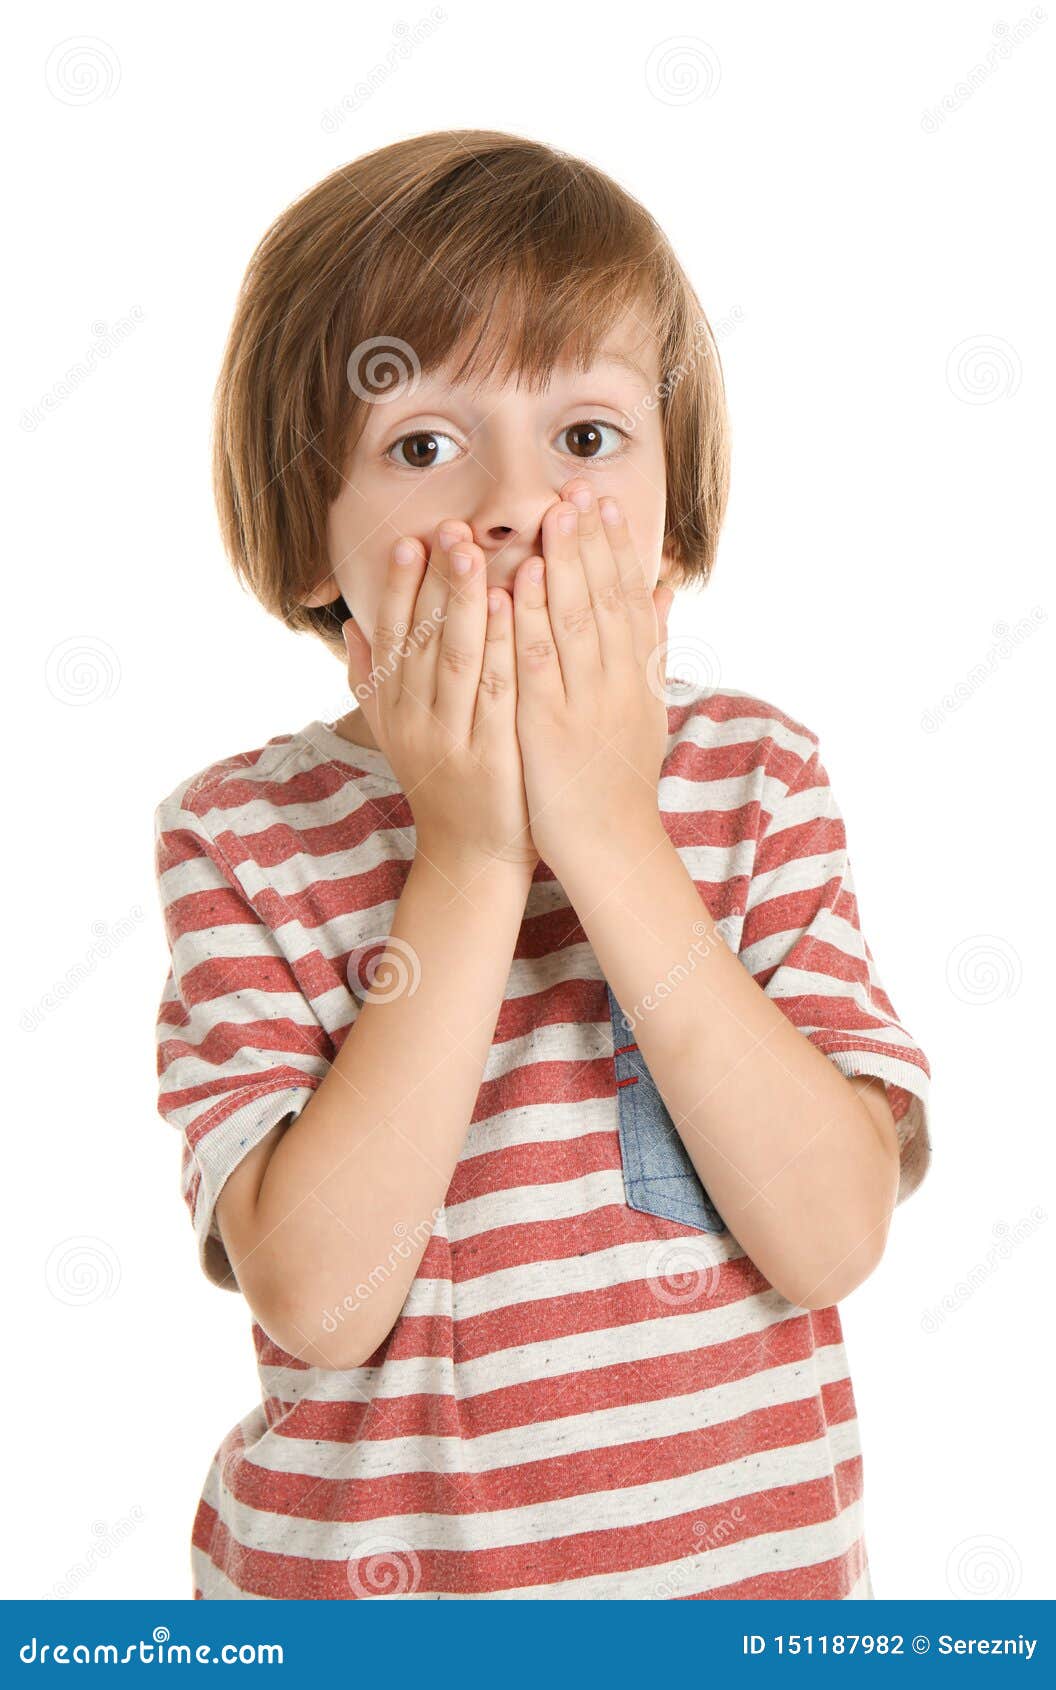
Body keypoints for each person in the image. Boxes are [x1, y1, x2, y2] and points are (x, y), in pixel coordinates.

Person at [153, 129, 932, 1600]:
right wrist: (469, 855)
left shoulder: (755, 780)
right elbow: (320, 1299)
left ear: (673, 518)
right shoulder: (244, 836)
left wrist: (612, 832)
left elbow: (832, 1236)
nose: (514, 501)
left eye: (585, 437)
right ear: (311, 536)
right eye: (422, 445)